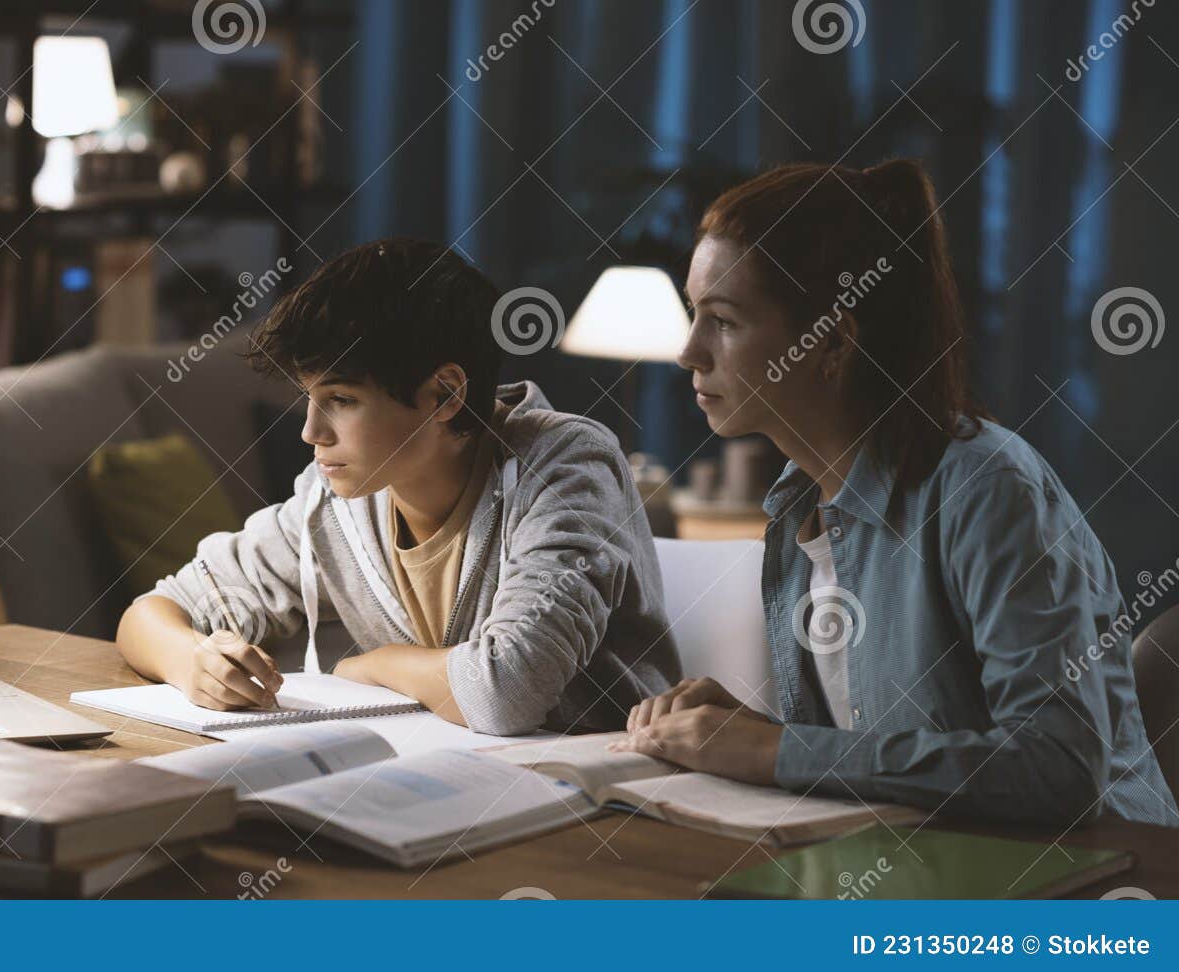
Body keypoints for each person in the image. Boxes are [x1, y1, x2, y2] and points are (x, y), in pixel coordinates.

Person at [611, 159, 1179, 826]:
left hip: (1088, 883)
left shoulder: (990, 490)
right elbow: (875, 758)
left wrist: (776, 750)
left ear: (831, 343)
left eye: (725, 321)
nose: (689, 352)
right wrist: (748, 734)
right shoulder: (796, 506)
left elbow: (1057, 771)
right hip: (921, 870)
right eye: (693, 315)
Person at [116, 237, 680, 735]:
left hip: (601, 798)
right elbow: (150, 613)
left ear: (444, 395)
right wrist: (193, 662)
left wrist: (375, 664)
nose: (311, 431)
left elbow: (507, 691)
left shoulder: (565, 466)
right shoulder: (334, 502)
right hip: (446, 782)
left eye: (341, 400)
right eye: (308, 397)